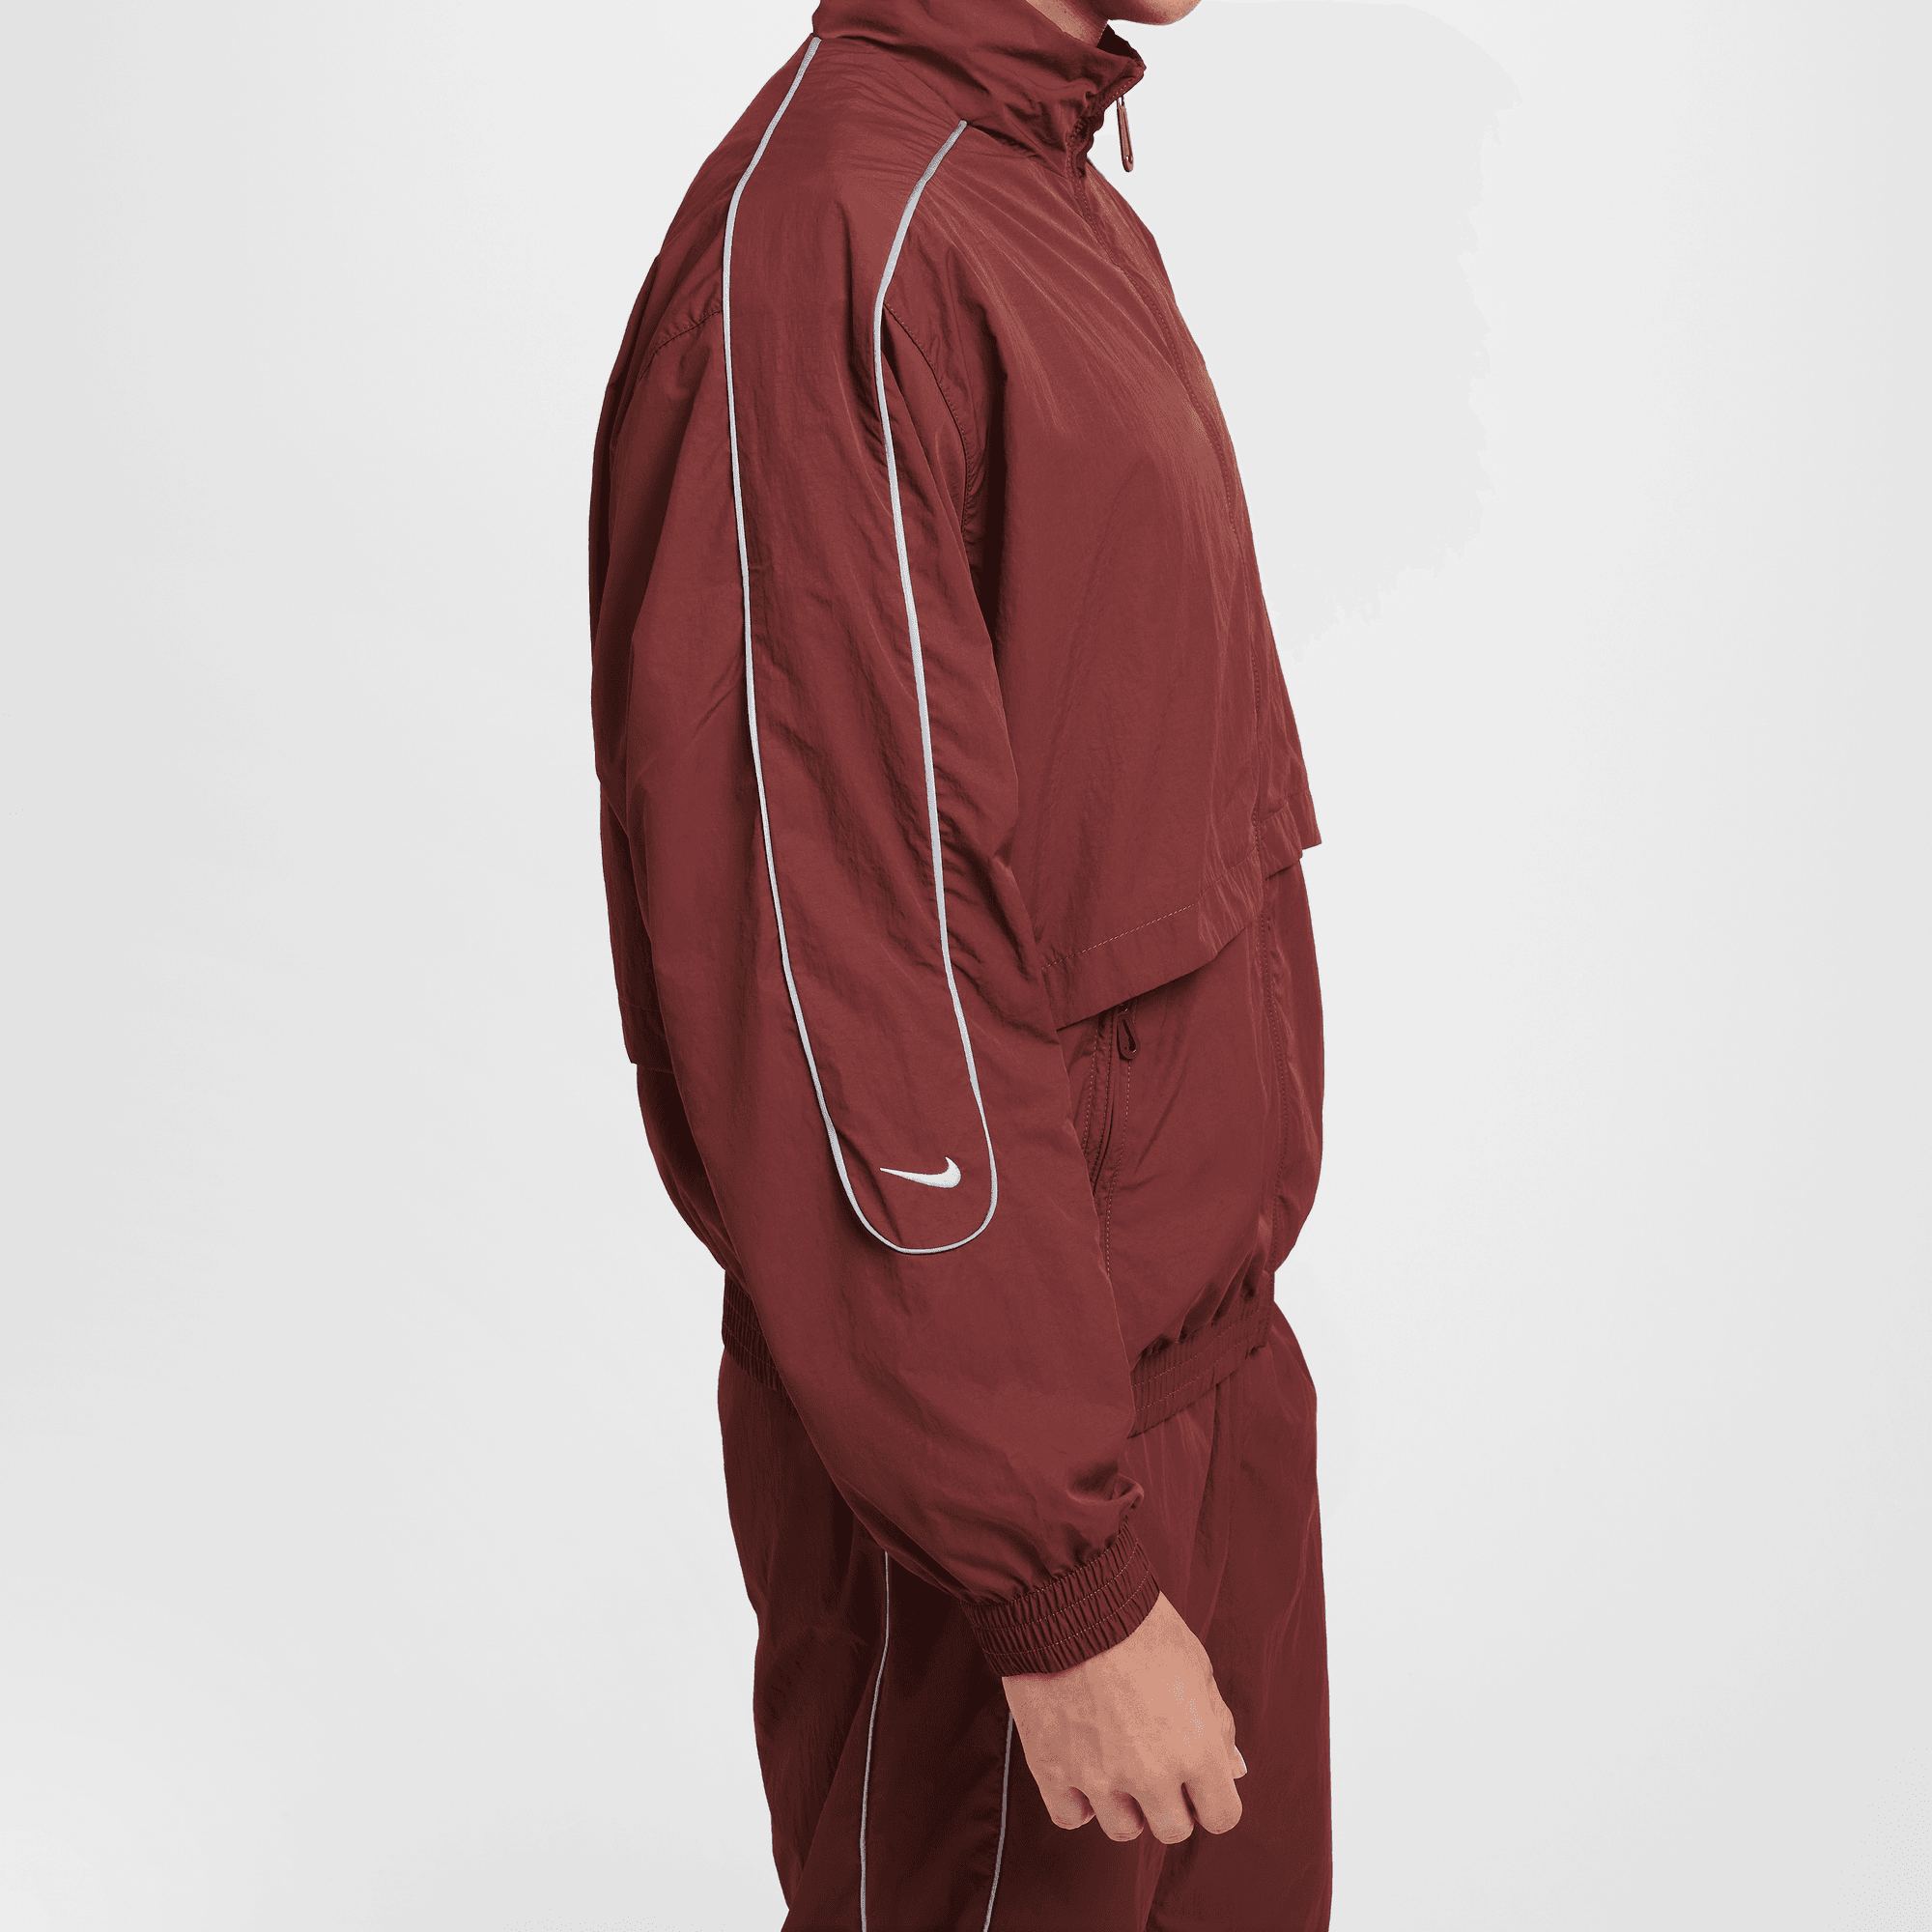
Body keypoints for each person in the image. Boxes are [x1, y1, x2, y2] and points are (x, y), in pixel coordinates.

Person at [588, 0, 1328, 1922]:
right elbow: (834, 967)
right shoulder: (836, 240)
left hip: (1193, 1394)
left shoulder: (1034, 192)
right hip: (1011, 1476)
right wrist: (1051, 1577)